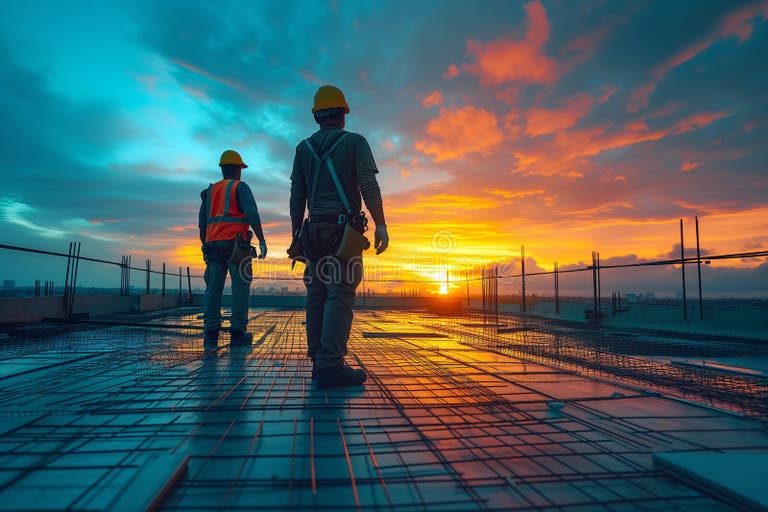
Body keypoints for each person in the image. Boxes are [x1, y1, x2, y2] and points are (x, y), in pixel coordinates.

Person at [289, 85, 389, 388]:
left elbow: (297, 196)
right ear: (343, 116)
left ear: (317, 116)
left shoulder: (302, 149)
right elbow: (368, 186)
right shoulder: (354, 143)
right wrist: (381, 224)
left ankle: (320, 361)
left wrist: (297, 234)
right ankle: (331, 364)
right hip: (342, 232)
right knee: (340, 293)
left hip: (313, 231)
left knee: (317, 293)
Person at [199, 150, 267, 346]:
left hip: (213, 246)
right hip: (237, 246)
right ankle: (237, 332)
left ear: (222, 169)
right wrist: (261, 240)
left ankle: (210, 333)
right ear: (238, 169)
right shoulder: (240, 187)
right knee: (240, 287)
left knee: (213, 287)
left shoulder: (209, 192)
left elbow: (202, 224)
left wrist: (205, 245)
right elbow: (252, 214)